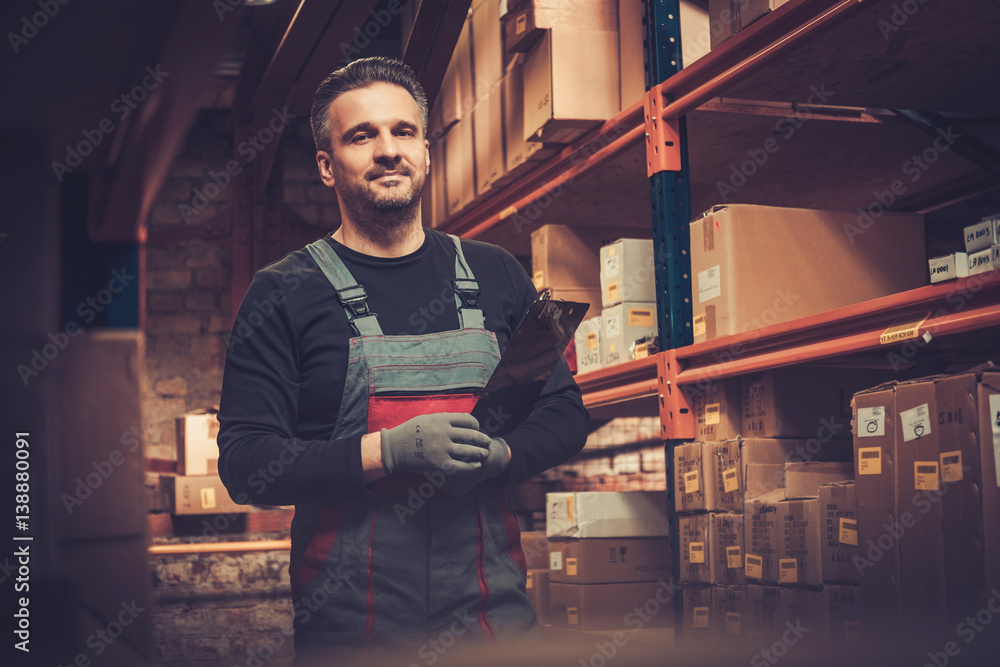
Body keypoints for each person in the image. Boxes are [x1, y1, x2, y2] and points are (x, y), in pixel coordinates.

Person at [216, 56, 589, 663]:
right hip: (350, 627)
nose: (388, 150)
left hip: (492, 619)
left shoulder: (500, 273)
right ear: (327, 166)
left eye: (404, 131)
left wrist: (504, 456)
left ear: (425, 150)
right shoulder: (281, 292)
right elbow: (244, 462)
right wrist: (385, 452)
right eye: (361, 136)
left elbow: (564, 412)